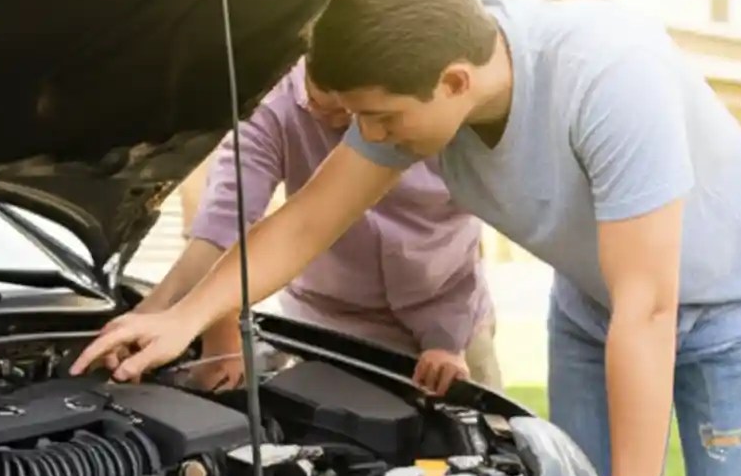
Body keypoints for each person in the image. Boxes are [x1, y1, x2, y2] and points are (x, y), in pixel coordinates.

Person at [72, 0, 741, 476]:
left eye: (380, 117)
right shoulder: (420, 70)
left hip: (732, 309)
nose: (367, 135)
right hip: (594, 303)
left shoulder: (609, 75)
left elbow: (648, 306)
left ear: (455, 81)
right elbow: (304, 225)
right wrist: (183, 316)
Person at [138, 56, 499, 396]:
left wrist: (448, 341)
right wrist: (207, 323)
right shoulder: (271, 109)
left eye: (362, 110)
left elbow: (464, 228)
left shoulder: (424, 101)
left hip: (454, 321)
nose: (360, 128)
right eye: (329, 105)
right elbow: (224, 224)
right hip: (330, 335)